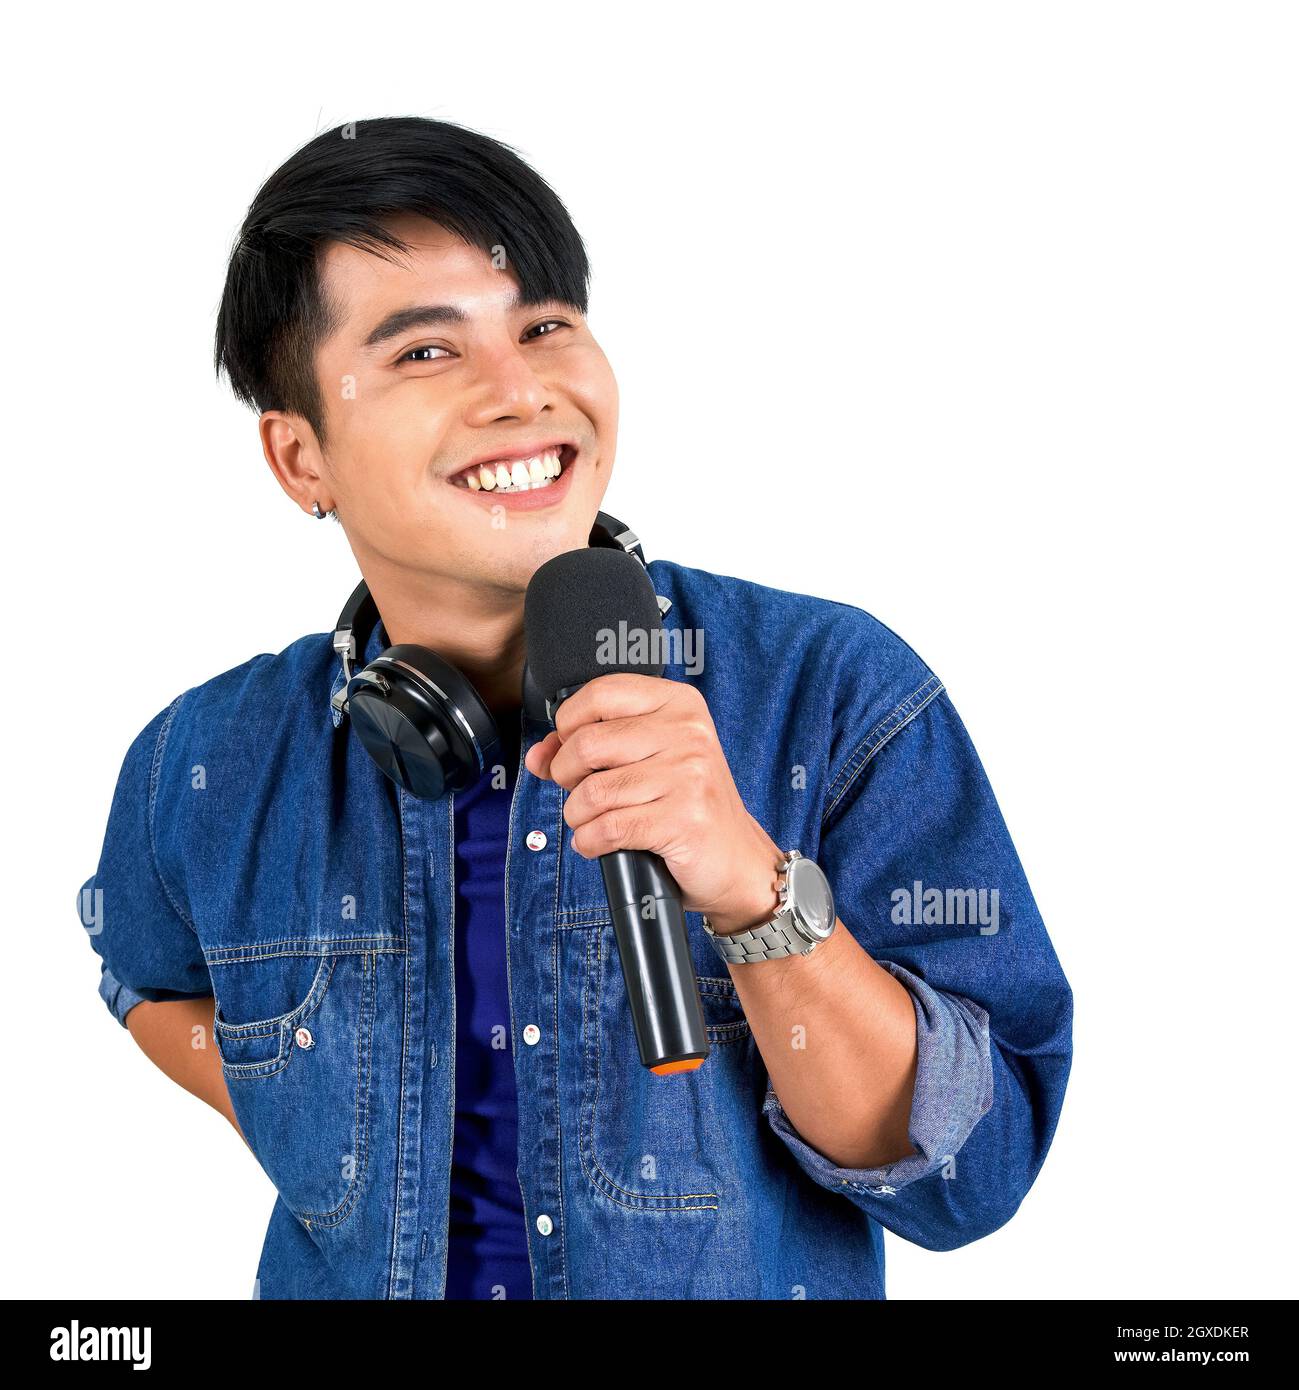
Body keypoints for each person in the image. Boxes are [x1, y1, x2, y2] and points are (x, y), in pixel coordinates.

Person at [77, 116, 1073, 1300]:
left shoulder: (836, 690)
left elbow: (975, 1174)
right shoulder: (203, 760)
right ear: (302, 459)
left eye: (545, 326)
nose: (523, 389)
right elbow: (143, 973)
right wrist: (323, 1131)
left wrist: (753, 886)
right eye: (426, 353)